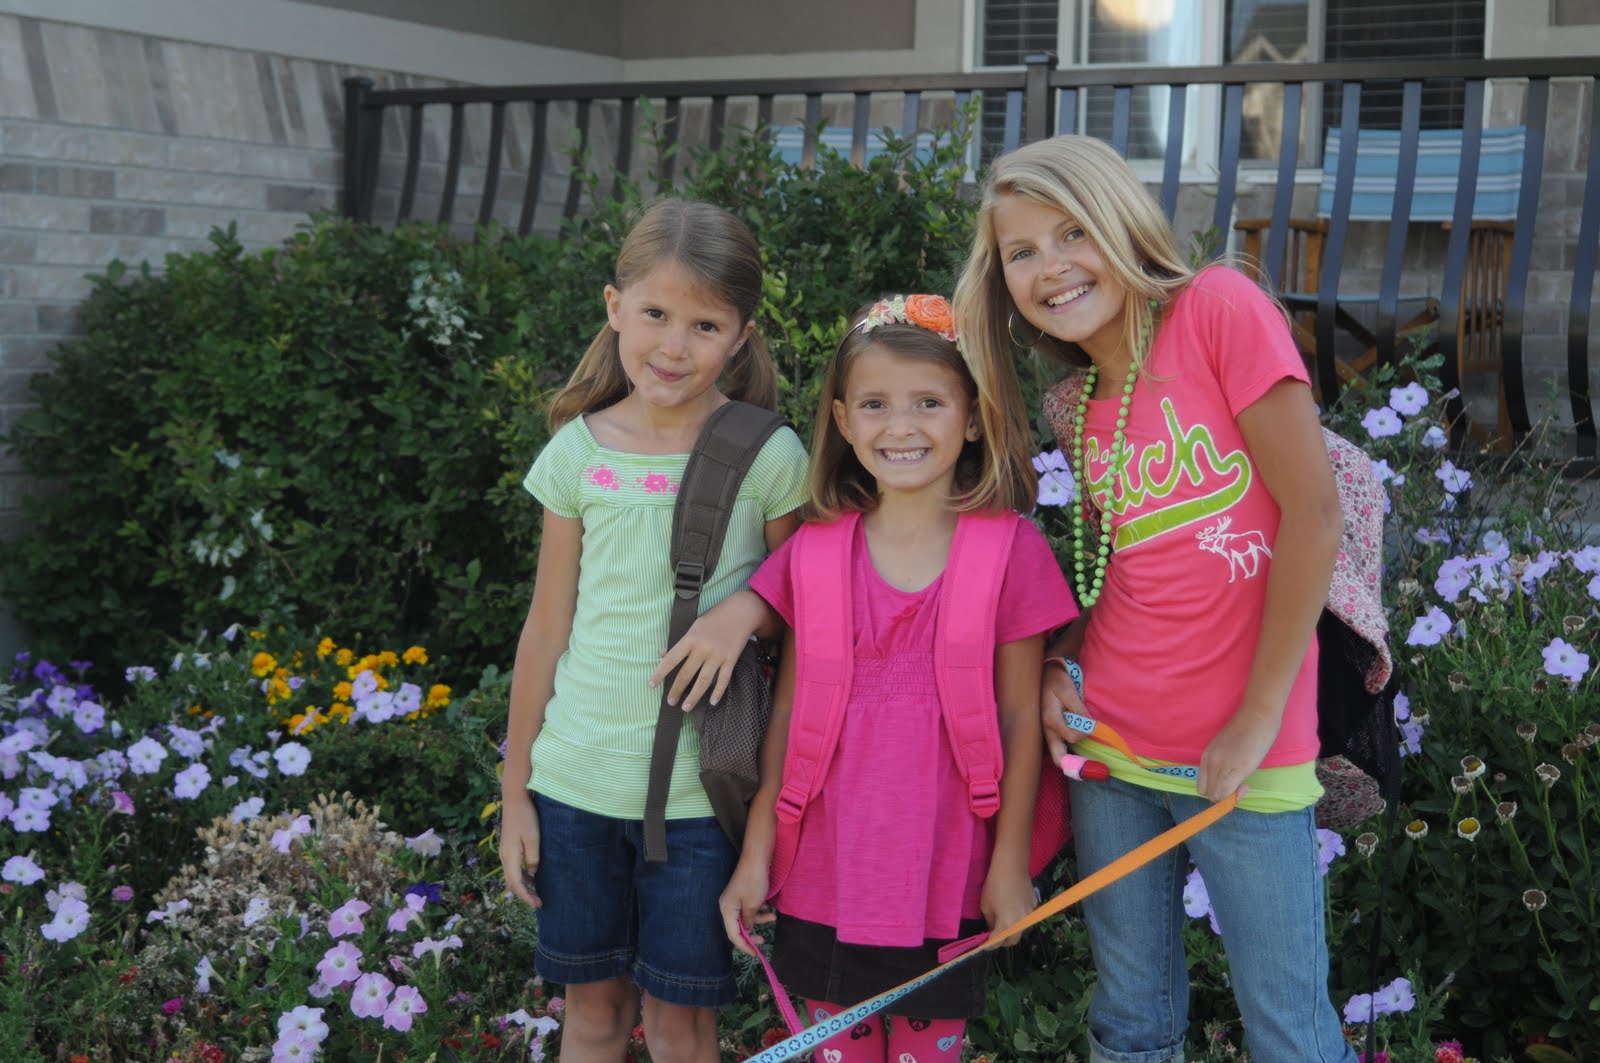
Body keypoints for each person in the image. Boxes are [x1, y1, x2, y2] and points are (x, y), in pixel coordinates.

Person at [953, 135, 1353, 1063]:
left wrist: (1257, 720)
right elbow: (1122, 574)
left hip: (1243, 758)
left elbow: (1315, 511)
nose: (1050, 267)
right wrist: (1061, 665)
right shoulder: (1079, 402)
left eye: (1071, 232)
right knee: (1131, 1020)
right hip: (1111, 746)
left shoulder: (1218, 309)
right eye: (1022, 252)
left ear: (1119, 222)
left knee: (1290, 1028)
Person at [719, 293, 1077, 1063]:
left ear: (973, 417)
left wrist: (1008, 862)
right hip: (822, 877)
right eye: (876, 404)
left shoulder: (1009, 551)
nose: (902, 426)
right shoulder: (814, 555)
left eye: (929, 403)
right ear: (844, 422)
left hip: (947, 882)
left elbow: (1020, 719)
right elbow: (785, 717)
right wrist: (756, 855)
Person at [498, 198, 810, 1063]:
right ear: (614, 307)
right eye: (655, 314)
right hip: (572, 792)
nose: (674, 346)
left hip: (699, 801)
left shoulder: (767, 456)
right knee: (591, 1017)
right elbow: (544, 629)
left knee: (681, 1027)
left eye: (704, 324)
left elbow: (810, 614)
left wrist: (745, 610)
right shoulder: (577, 453)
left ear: (741, 336)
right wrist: (516, 790)